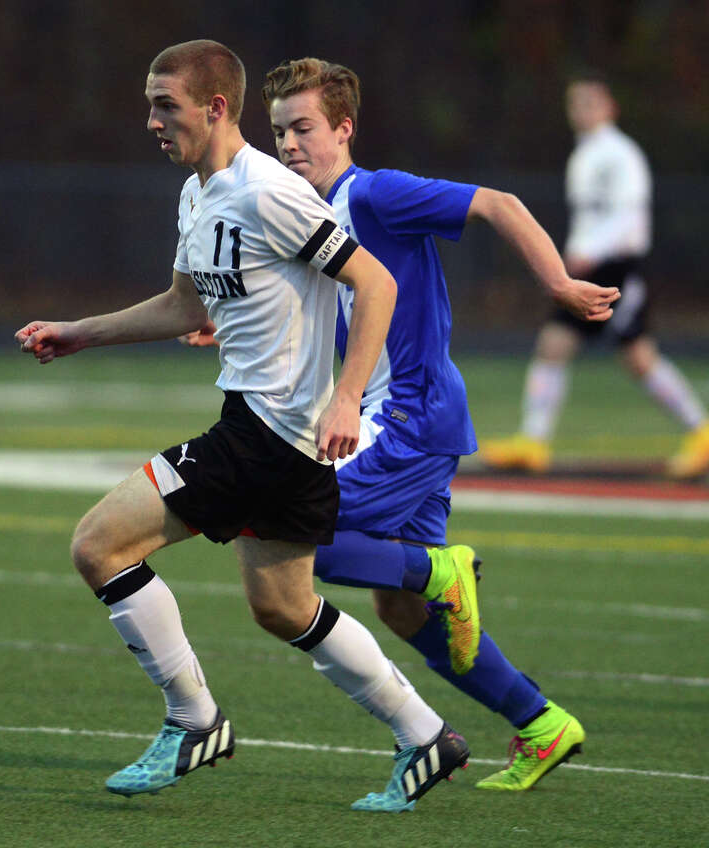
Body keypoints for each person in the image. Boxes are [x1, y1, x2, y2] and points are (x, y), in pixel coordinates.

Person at [16, 39, 479, 813]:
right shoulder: (198, 195)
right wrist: (78, 331)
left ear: (216, 107)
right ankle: (426, 735)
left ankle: (193, 720)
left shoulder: (268, 190)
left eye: (166, 105)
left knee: (98, 545)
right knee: (285, 608)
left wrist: (346, 397)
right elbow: (185, 306)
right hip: (274, 439)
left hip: (266, 434)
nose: (152, 121)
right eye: (150, 104)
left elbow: (377, 281)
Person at [220, 56, 623, 794]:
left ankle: (445, 570)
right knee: (405, 610)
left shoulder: (373, 194)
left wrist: (559, 282)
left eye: (305, 127)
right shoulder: (305, 217)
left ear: (344, 129)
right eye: (279, 130)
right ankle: (540, 723)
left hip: (408, 416)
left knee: (290, 532)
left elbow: (499, 203)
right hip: (409, 421)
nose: (289, 144)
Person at [480, 69, 709, 478]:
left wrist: (585, 253)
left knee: (637, 356)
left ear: (610, 106)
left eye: (590, 102)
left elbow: (628, 216)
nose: (582, 110)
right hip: (592, 266)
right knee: (554, 345)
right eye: (576, 102)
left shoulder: (619, 153)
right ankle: (533, 442)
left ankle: (704, 432)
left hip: (617, 268)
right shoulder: (586, 153)